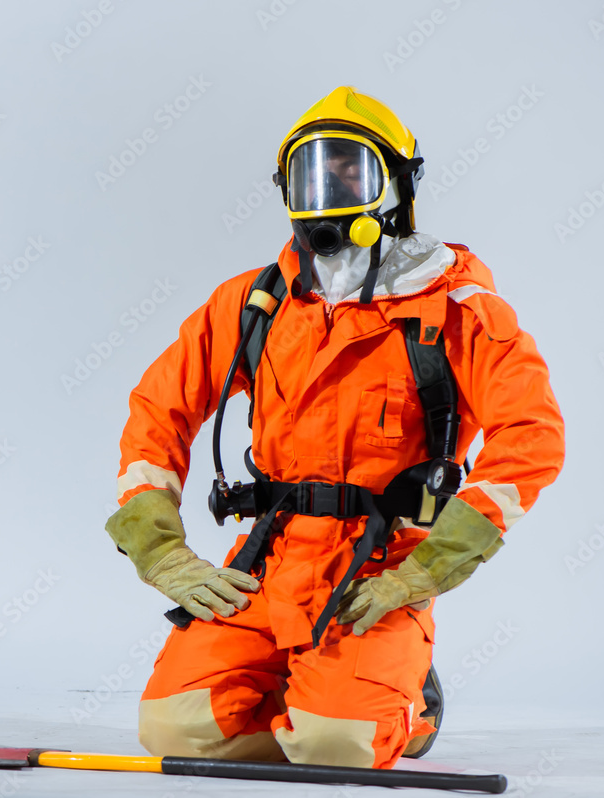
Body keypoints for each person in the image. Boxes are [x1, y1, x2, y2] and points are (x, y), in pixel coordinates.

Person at [105, 86, 565, 769]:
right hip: (266, 562)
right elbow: (158, 410)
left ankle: (407, 704)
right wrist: (160, 551)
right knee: (175, 730)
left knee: (336, 747)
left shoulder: (459, 312)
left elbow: (531, 437)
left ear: (397, 187)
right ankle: (317, 692)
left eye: (350, 171)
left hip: (377, 568)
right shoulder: (257, 304)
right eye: (309, 174)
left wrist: (425, 573)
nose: (328, 192)